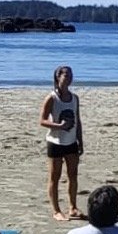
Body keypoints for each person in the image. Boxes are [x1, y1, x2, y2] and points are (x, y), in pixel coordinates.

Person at [40, 64, 83, 222]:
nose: (69, 78)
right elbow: (42, 120)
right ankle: (56, 210)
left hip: (71, 142)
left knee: (73, 175)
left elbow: (78, 121)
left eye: (71, 75)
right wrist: (59, 126)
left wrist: (80, 140)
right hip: (55, 142)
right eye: (66, 75)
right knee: (54, 177)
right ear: (58, 77)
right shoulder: (51, 98)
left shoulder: (74, 98)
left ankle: (73, 207)